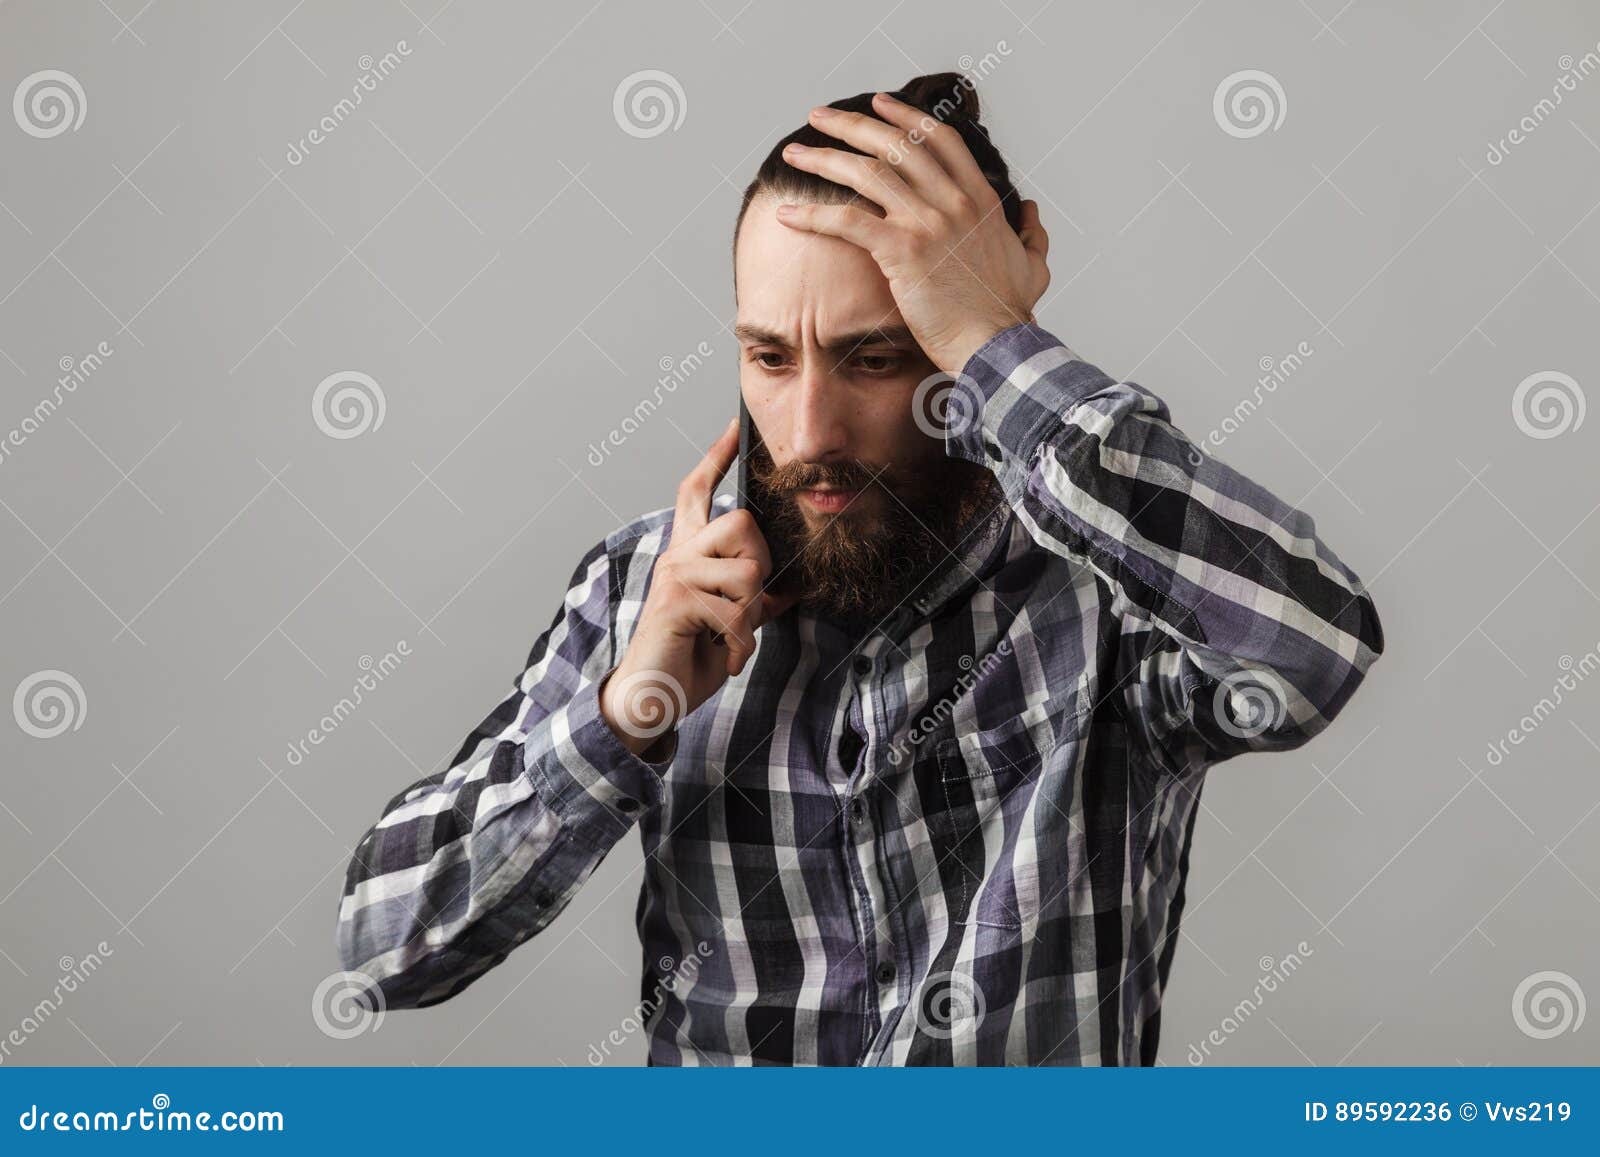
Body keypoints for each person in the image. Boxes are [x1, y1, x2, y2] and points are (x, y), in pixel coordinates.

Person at [335, 71, 1384, 1065]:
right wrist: (625, 713)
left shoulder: (1112, 587)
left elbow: (1315, 650)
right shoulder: (646, 589)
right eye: (768, 357)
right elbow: (384, 950)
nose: (807, 434)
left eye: (875, 359)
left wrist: (1000, 341)